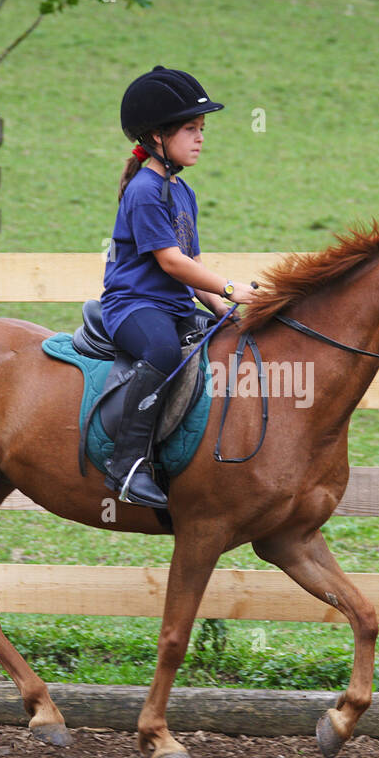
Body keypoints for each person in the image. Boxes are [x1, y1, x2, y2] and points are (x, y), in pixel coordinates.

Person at [102, 66, 258, 509]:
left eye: (202, 128)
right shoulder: (145, 190)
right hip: (133, 306)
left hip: (171, 304)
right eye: (190, 128)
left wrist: (228, 309)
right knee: (164, 352)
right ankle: (128, 463)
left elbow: (193, 266)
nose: (201, 137)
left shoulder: (182, 190)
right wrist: (231, 289)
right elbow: (170, 262)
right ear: (156, 137)